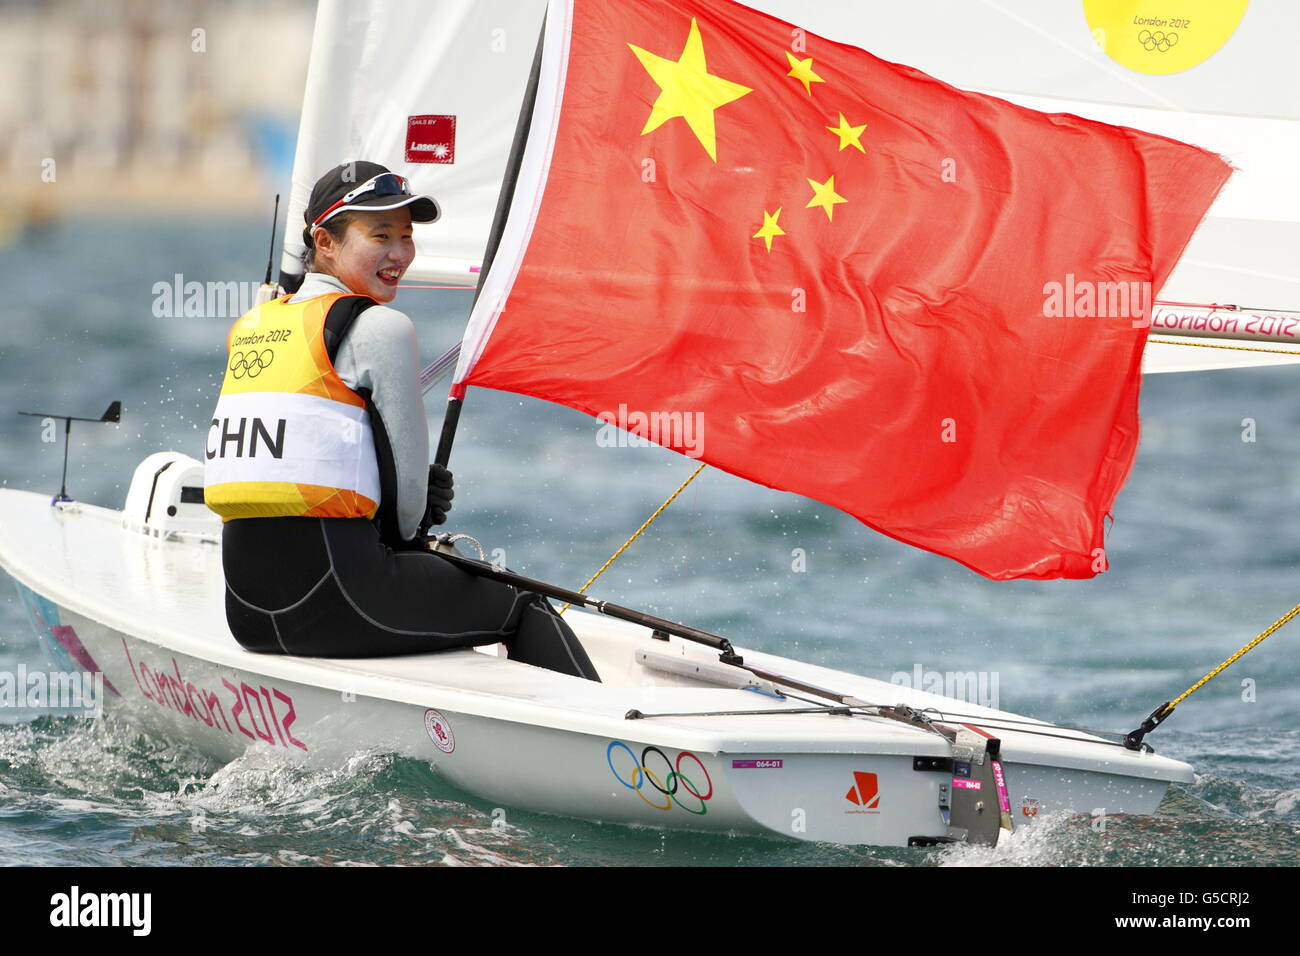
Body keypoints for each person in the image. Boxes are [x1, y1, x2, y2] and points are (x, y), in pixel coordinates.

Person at [204, 160, 600, 680]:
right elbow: (407, 519)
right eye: (381, 234)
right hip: (341, 604)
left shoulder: (252, 325)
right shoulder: (381, 327)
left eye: (407, 236)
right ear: (324, 240)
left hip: (249, 613)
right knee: (520, 601)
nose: (400, 254)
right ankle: (611, 748)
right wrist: (419, 505)